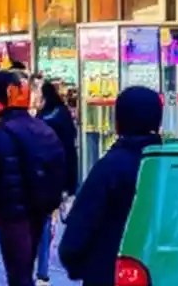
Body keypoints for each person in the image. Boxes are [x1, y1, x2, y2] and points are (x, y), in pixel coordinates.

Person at [58, 86, 162, 286]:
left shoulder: (110, 167)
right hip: (162, 272)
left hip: (108, 271)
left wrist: (78, 265)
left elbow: (81, 226)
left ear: (119, 122)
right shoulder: (166, 167)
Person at [0, 70, 68, 286]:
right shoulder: (44, 129)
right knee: (25, 267)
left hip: (11, 213)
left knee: (17, 273)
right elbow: (59, 167)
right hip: (39, 210)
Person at [35, 80, 78, 286]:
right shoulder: (60, 115)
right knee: (47, 223)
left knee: (45, 224)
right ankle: (43, 270)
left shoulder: (47, 119)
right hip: (55, 179)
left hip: (47, 178)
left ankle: (43, 269)